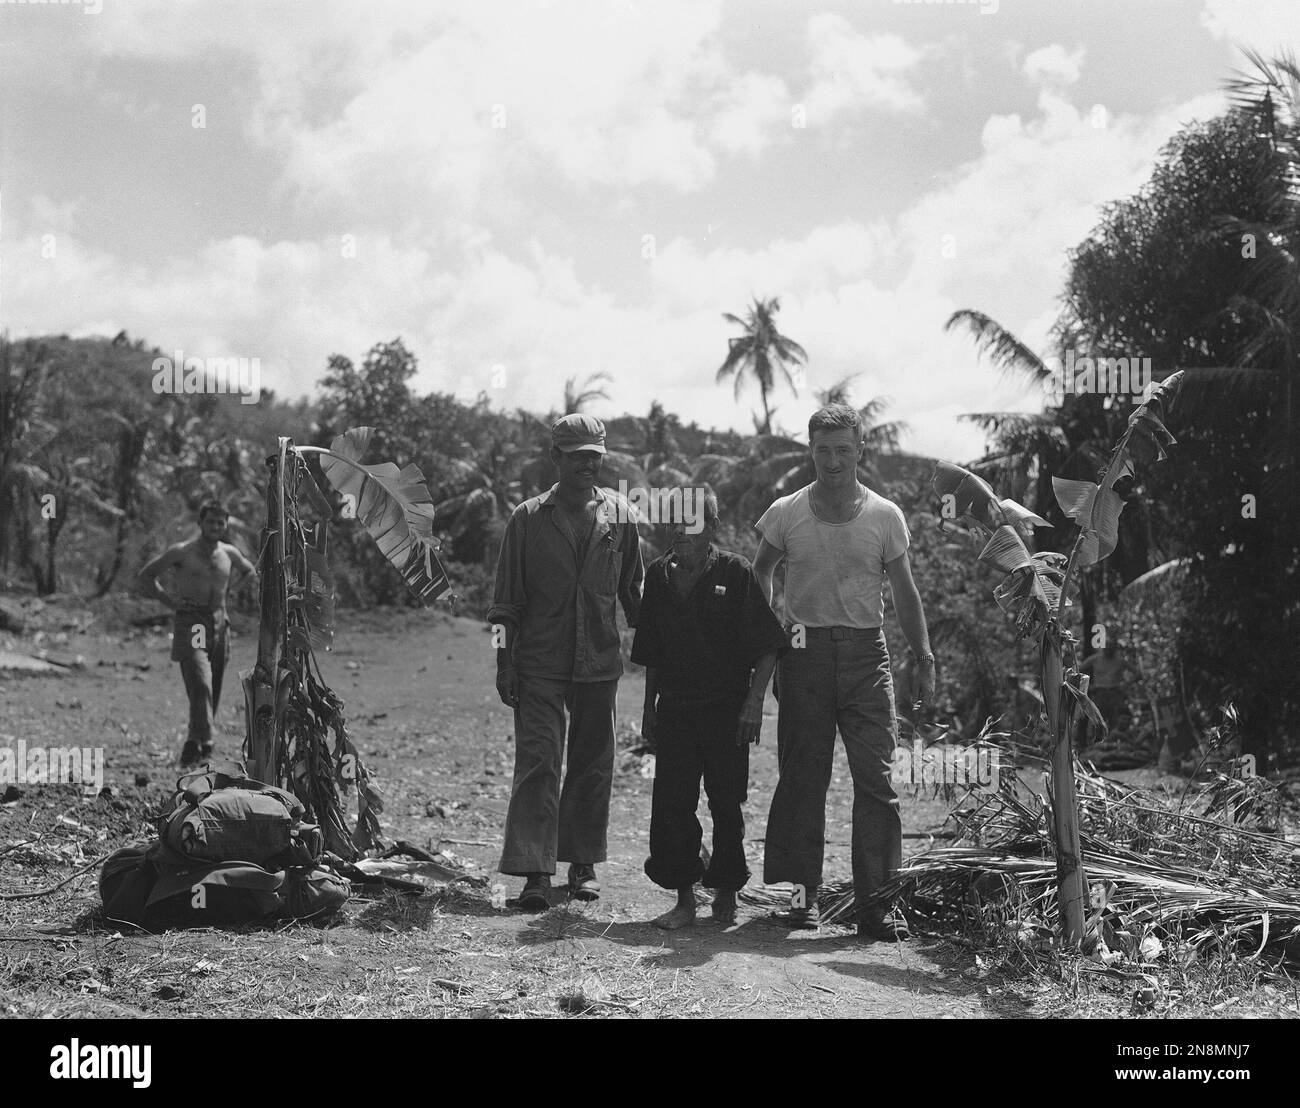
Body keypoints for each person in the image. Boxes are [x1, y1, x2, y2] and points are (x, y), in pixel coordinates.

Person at [753, 403, 934, 941]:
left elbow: (904, 593)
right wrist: (767, 639)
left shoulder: (884, 515)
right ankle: (801, 899)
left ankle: (875, 907)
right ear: (810, 451)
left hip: (865, 658)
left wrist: (924, 658)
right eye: (823, 450)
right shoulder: (786, 511)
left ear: (860, 451)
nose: (833, 460)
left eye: (843, 449)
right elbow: (761, 571)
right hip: (802, 655)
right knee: (803, 778)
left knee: (878, 781)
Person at [488, 413, 643, 911]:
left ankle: (582, 865)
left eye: (594, 457)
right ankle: (535, 871)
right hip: (538, 663)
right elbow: (502, 605)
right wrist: (502, 664)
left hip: (599, 661)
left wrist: (668, 642)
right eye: (576, 457)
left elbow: (634, 593)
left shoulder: (621, 517)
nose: (587, 465)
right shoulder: (528, 518)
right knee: (538, 763)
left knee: (593, 765)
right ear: (556, 459)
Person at [631, 488, 786, 930]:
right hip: (676, 709)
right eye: (675, 522)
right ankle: (684, 899)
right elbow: (653, 653)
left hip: (726, 711)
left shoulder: (735, 573)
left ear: (712, 528)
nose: (680, 530)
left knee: (726, 802)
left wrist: (753, 704)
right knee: (673, 803)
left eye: (692, 523)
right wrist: (648, 708)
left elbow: (768, 647)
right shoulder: (658, 576)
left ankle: (727, 888)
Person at [137, 499, 257, 767]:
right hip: (194, 623)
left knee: (212, 684)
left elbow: (250, 571)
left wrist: (233, 592)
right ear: (200, 523)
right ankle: (201, 741)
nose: (216, 526)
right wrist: (170, 602)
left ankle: (199, 743)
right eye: (211, 521)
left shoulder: (229, 553)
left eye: (221, 522)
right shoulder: (182, 551)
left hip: (219, 622)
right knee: (201, 680)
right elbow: (146, 576)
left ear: (225, 525)